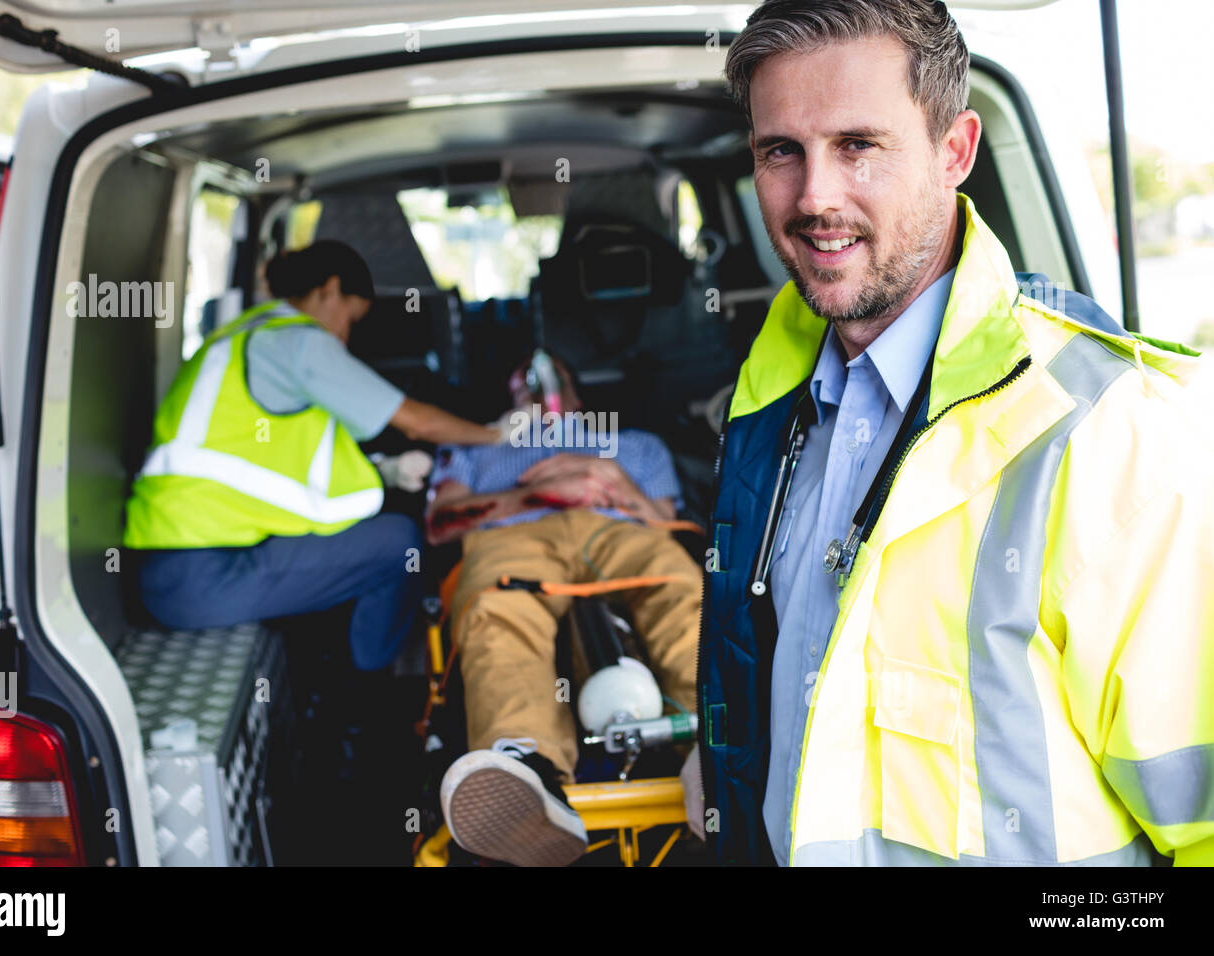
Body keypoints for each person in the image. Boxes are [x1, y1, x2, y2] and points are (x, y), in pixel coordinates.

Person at [696, 0, 1214, 866]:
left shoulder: (1112, 435)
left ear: (955, 152)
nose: (815, 196)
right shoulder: (769, 404)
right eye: (781, 150)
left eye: (858, 145)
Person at [124, 240, 501, 671]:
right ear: (330, 290)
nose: (345, 336)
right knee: (400, 543)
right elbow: (418, 422)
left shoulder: (241, 335)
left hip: (167, 566)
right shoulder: (300, 343)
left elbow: (268, 458)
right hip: (206, 575)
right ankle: (375, 687)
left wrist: (384, 472)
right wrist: (495, 435)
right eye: (350, 319)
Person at [428, 353, 701, 867]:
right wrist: (532, 494)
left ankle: (715, 747)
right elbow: (441, 523)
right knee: (497, 613)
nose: (536, 390)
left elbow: (664, 522)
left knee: (681, 589)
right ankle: (527, 769)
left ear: (575, 389)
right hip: (515, 534)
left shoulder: (636, 444)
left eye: (549, 380)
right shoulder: (474, 447)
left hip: (618, 529)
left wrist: (610, 479)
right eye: (522, 385)